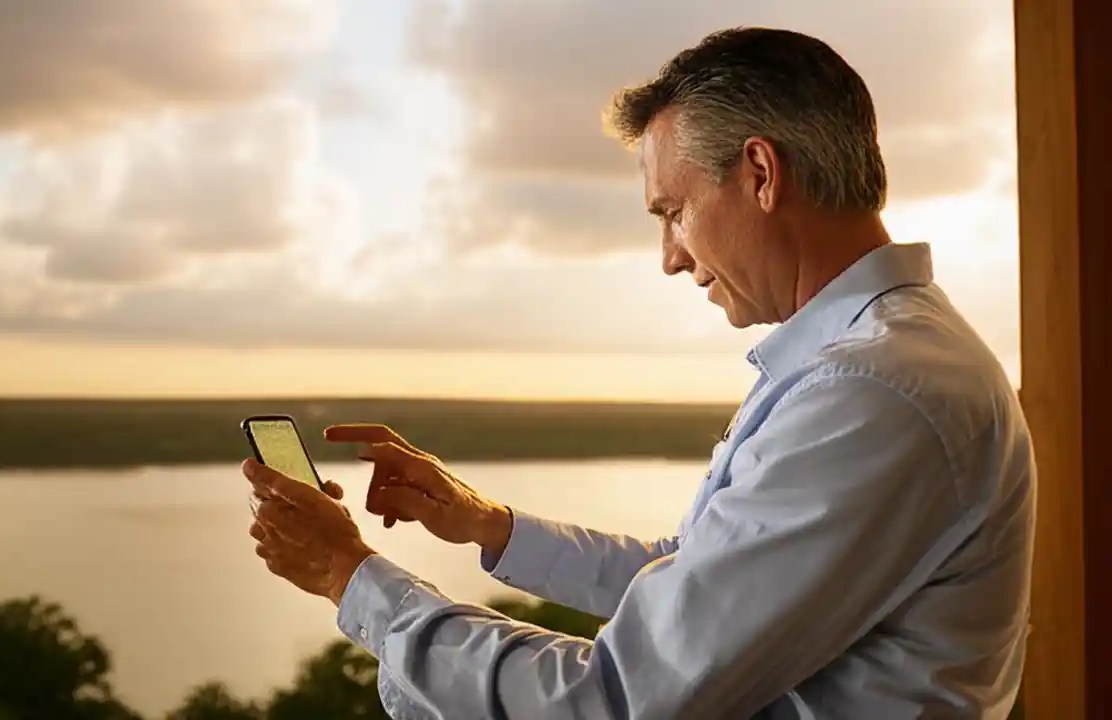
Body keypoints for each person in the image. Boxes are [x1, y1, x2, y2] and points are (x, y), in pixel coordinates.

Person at [243, 27, 1035, 719]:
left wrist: (351, 577)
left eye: (672, 211)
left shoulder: (871, 392)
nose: (670, 258)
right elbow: (699, 582)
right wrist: (488, 524)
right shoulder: (876, 362)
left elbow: (618, 700)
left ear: (761, 173)